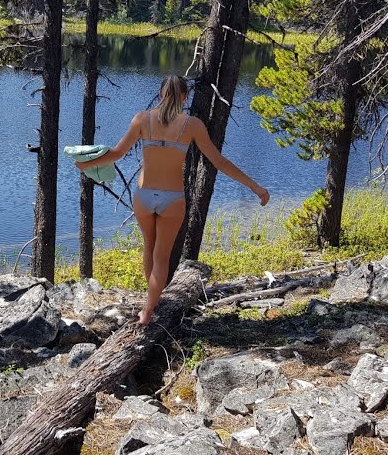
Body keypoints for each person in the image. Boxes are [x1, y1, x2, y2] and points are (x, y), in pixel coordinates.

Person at [74, 75, 270, 325]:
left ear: (161, 93)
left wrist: (86, 163)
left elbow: (117, 153)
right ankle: (148, 309)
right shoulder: (192, 124)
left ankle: (151, 301)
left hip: (144, 196)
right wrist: (255, 187)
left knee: (149, 248)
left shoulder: (142, 119)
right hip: (172, 198)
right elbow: (219, 162)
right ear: (185, 96)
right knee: (162, 256)